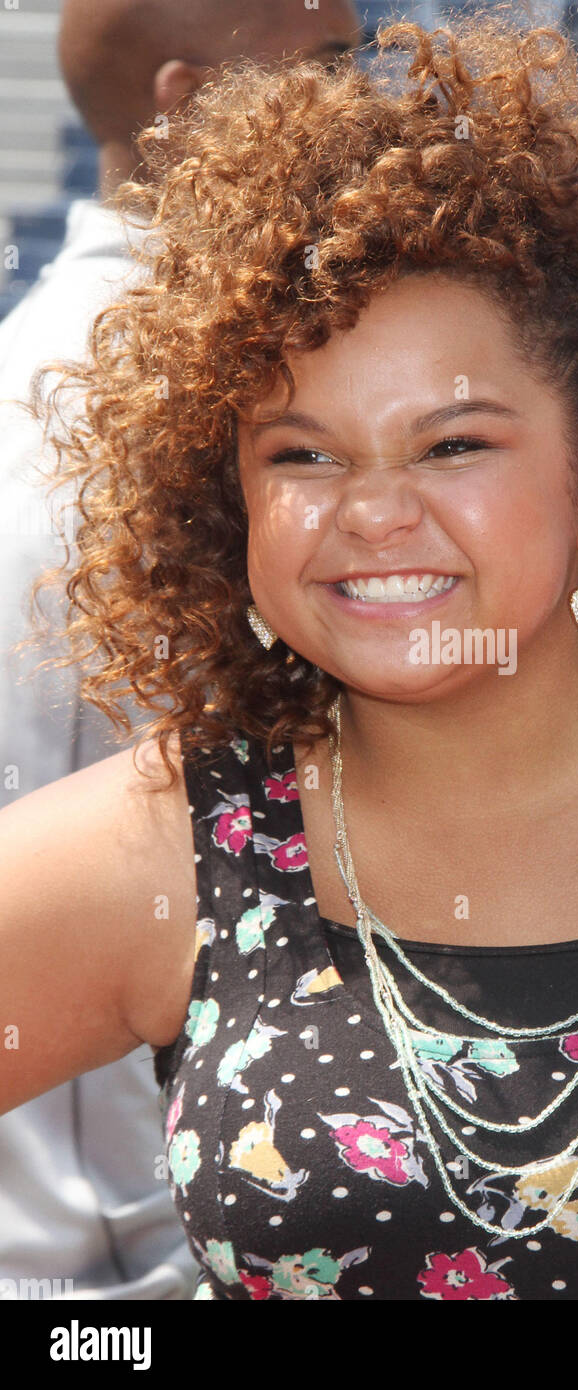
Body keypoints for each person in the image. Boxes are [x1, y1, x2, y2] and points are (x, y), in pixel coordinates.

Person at [2, 6, 578, 1301]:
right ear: (235, 501)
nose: (373, 512)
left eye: (454, 444)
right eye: (301, 453)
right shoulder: (171, 844)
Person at [0, 0, 361, 1300]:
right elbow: (120, 885)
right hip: (119, 1270)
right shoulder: (114, 422)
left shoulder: (130, 375)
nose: (367, 108)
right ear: (186, 103)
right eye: (327, 69)